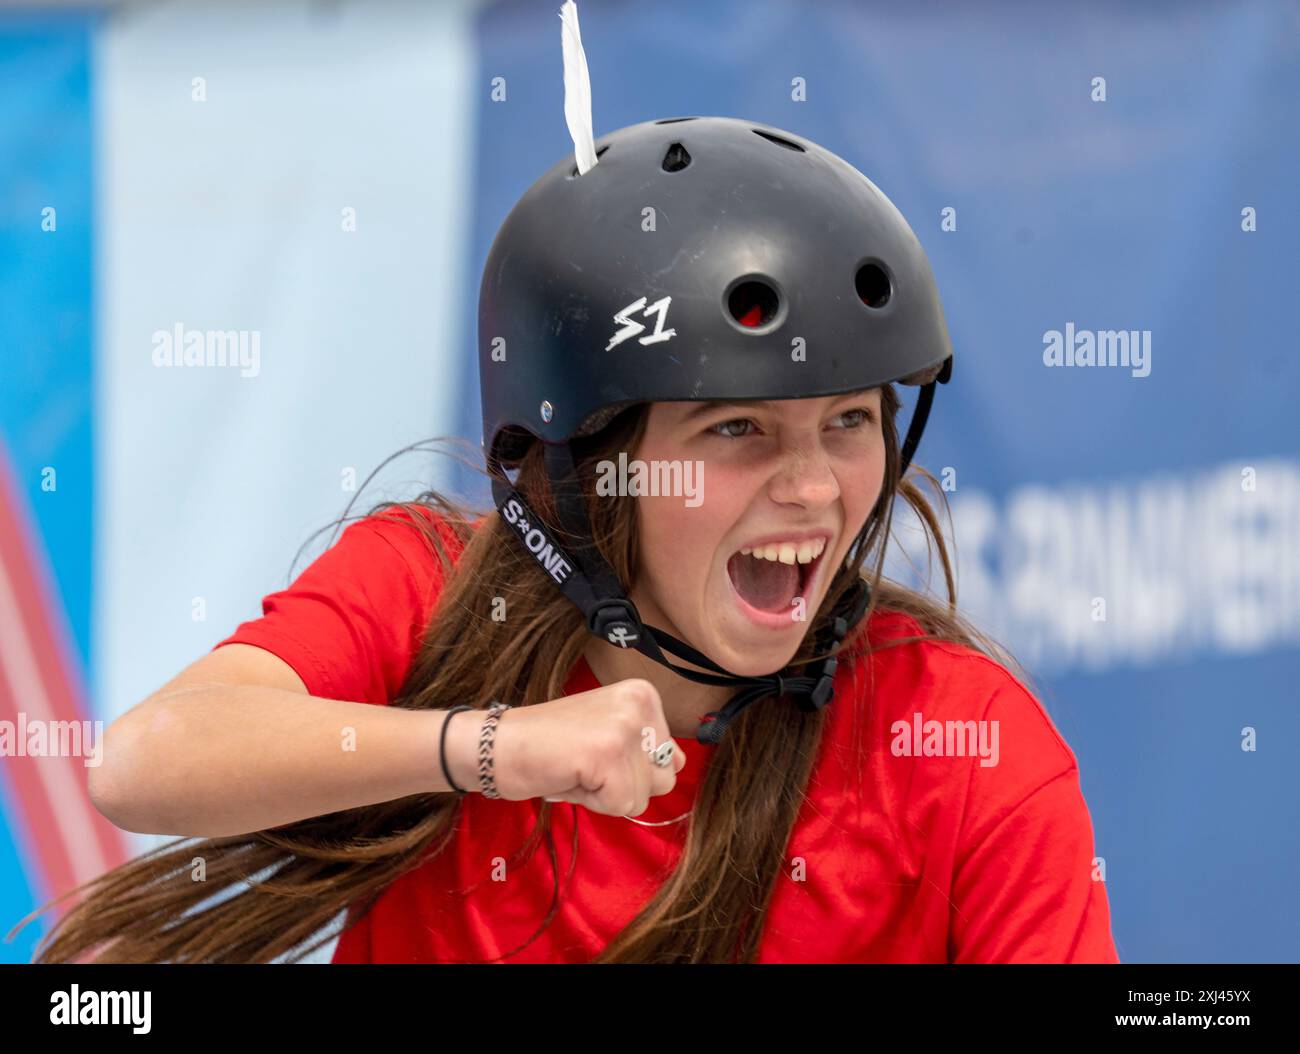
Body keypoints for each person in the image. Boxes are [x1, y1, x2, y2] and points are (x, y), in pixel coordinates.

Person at [19, 115, 1118, 964]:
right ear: (588, 468)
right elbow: (143, 763)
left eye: (847, 422)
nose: (814, 486)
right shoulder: (430, 590)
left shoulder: (961, 740)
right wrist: (499, 749)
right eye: (737, 428)